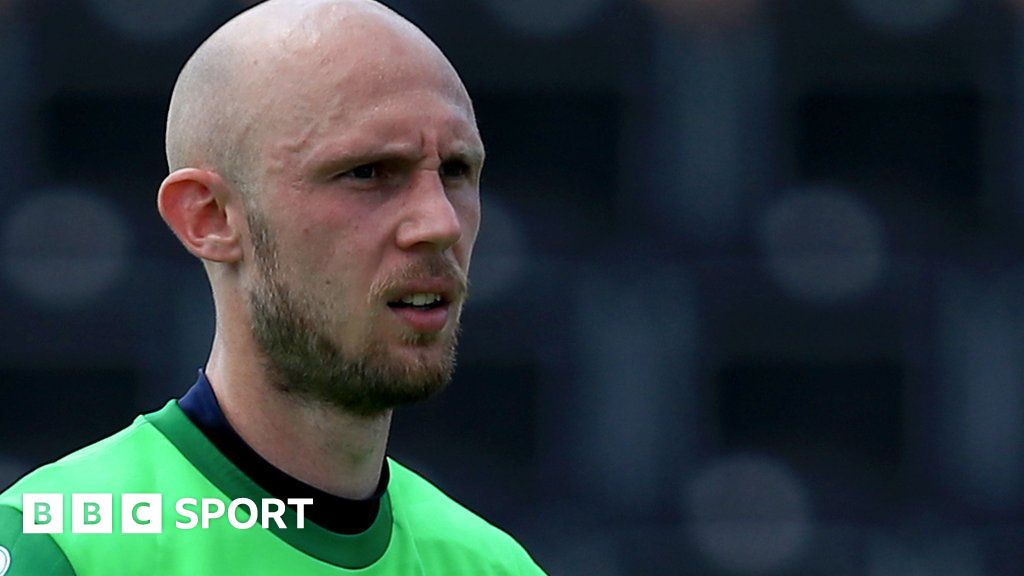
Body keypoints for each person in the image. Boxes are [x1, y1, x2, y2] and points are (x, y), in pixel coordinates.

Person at [0, 0, 546, 574]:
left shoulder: (491, 565)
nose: (441, 224)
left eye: (457, 171)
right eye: (367, 172)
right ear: (208, 218)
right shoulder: (60, 550)